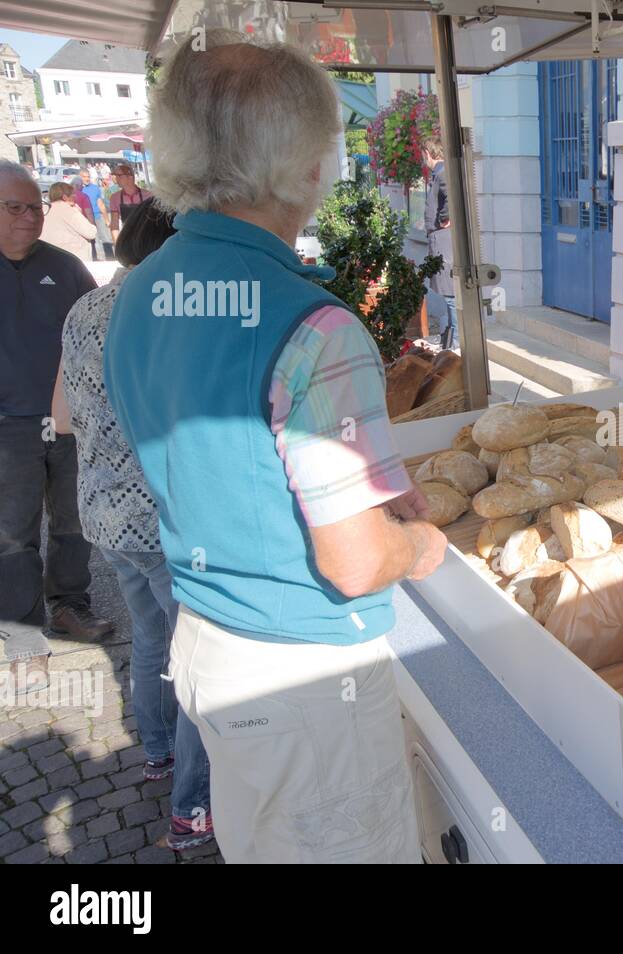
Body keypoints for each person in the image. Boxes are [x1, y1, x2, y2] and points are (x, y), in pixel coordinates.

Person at [104, 31, 445, 863]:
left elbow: (224, 457)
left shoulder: (140, 291)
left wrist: (373, 492)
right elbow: (356, 563)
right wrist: (420, 545)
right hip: (306, 684)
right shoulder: (315, 325)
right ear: (303, 161)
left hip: (209, 652)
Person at [50, 197, 215, 850]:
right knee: (202, 660)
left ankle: (158, 752)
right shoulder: (167, 312)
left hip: (102, 511)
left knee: (151, 641)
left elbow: (61, 421)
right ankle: (192, 809)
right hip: (163, 518)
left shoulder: (82, 309)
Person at [0, 160, 113, 661]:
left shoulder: (64, 267)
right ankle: (21, 629)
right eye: (15, 207)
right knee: (13, 534)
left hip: (68, 422)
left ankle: (69, 605)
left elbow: (99, 328)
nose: (30, 217)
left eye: (35, 207)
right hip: (7, 427)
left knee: (73, 522)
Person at [423, 139, 456, 350]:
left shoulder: (443, 173)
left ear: (428, 153)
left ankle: (457, 343)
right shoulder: (440, 172)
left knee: (451, 294)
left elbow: (450, 195)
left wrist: (445, 217)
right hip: (440, 239)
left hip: (444, 240)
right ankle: (451, 339)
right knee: (448, 294)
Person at [42, 182, 98, 260]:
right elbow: (90, 233)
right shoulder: (69, 210)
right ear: (65, 197)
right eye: (72, 194)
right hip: (73, 259)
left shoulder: (43, 210)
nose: (75, 196)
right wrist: (79, 213)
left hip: (47, 257)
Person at [109, 164, 150, 242]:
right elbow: (114, 224)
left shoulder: (148, 195)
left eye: (119, 176)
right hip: (128, 239)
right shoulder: (114, 198)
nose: (116, 179)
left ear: (130, 177)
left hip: (147, 238)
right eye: (115, 176)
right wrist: (117, 244)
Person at [78, 167, 110, 261]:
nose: (87, 179)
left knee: (105, 239)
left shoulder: (95, 188)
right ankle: (95, 260)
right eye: (84, 177)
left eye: (88, 176)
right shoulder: (78, 190)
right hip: (85, 219)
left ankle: (111, 258)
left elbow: (100, 204)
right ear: (80, 177)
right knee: (92, 241)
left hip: (97, 217)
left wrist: (107, 219)